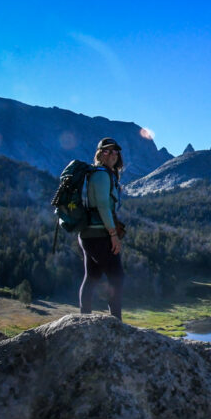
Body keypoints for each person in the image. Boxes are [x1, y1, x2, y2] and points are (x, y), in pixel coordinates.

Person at [78, 137, 124, 320]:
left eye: (115, 151)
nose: (112, 154)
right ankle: (117, 322)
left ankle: (83, 319)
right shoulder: (102, 175)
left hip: (90, 234)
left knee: (92, 276)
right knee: (117, 276)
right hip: (99, 235)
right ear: (99, 154)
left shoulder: (101, 173)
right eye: (107, 150)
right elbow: (104, 205)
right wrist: (113, 234)